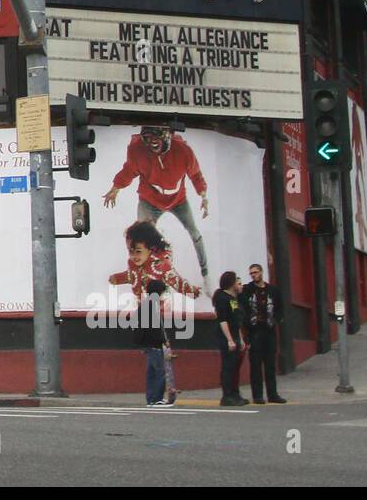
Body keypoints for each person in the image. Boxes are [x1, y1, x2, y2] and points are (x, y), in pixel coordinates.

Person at [102, 126, 211, 285]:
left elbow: (195, 174)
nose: (152, 143)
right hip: (150, 200)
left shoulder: (183, 150)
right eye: (147, 139)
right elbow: (129, 170)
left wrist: (203, 195)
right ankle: (142, 275)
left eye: (156, 138)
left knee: (194, 232)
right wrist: (115, 189)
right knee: (139, 237)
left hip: (178, 200)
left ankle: (206, 273)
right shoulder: (137, 149)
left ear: (166, 136)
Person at [109, 220, 203, 304]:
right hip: (142, 307)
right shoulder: (133, 264)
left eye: (138, 251)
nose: (134, 256)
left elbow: (176, 281)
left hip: (161, 310)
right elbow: (131, 276)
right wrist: (117, 278)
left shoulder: (161, 266)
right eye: (130, 251)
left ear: (151, 248)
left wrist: (190, 291)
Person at [241, 263, 287, 404]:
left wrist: (277, 320)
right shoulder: (248, 290)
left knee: (270, 364)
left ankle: (273, 394)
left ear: (261, 272)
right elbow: (243, 307)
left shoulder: (273, 290)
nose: (254, 275)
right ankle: (258, 395)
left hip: (269, 330)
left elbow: (280, 307)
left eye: (255, 272)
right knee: (255, 364)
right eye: (251, 273)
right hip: (255, 331)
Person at [135, 279, 174, 407]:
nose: (163, 295)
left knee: (151, 372)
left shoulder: (146, 304)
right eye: (162, 292)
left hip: (147, 344)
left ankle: (151, 399)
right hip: (154, 344)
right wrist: (164, 340)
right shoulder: (151, 306)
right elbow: (154, 328)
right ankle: (157, 399)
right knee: (160, 371)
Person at [213, 270, 248, 407]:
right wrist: (230, 339)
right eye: (237, 282)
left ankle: (235, 393)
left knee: (235, 367)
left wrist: (240, 339)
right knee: (228, 366)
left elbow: (237, 321)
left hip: (235, 335)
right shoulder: (222, 298)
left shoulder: (234, 299)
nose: (240, 285)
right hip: (226, 337)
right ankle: (227, 396)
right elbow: (223, 320)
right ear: (231, 283)